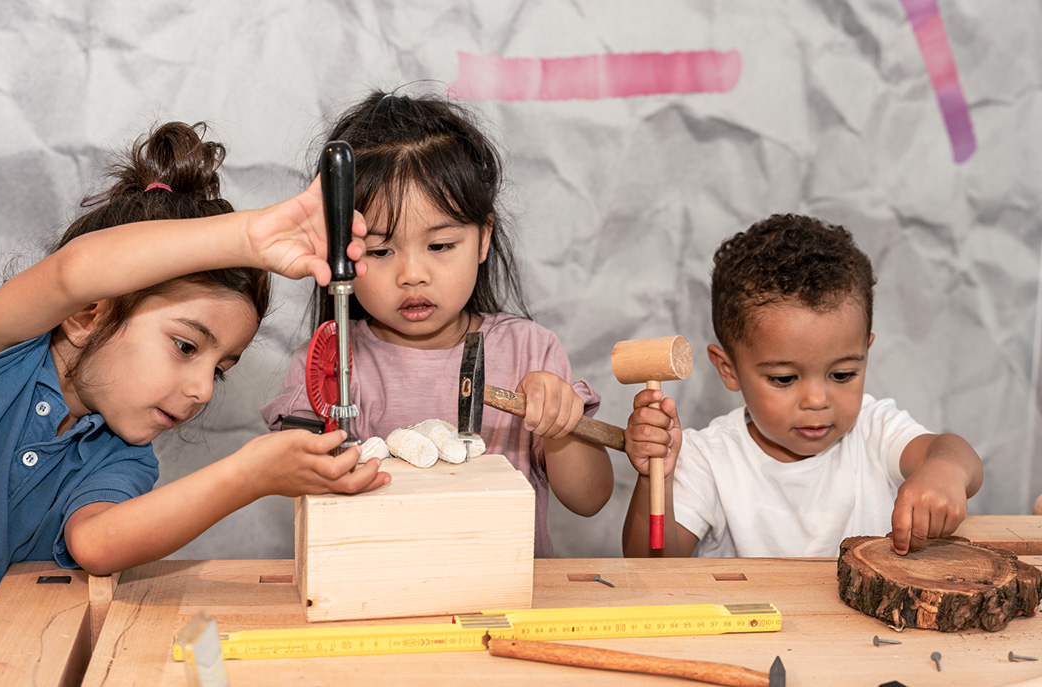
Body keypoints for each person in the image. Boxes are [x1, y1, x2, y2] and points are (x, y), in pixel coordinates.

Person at [0, 121, 389, 686]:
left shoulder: (120, 454)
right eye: (185, 346)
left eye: (219, 370)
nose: (202, 387)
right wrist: (247, 237)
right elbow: (73, 273)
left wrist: (251, 473)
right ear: (88, 315)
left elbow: (98, 543)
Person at [261, 90, 614, 557]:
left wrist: (560, 425)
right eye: (380, 252)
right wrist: (315, 452)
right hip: (381, 595)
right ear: (340, 254)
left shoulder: (531, 352)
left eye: (441, 246)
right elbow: (290, 476)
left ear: (483, 238)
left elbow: (590, 499)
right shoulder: (331, 363)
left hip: (505, 597)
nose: (412, 274)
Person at [621, 213, 983, 558]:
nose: (816, 399)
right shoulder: (708, 458)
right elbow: (652, 564)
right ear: (728, 369)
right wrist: (657, 480)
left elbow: (953, 452)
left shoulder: (875, 431)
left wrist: (945, 471)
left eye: (842, 375)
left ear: (865, 354)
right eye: (784, 379)